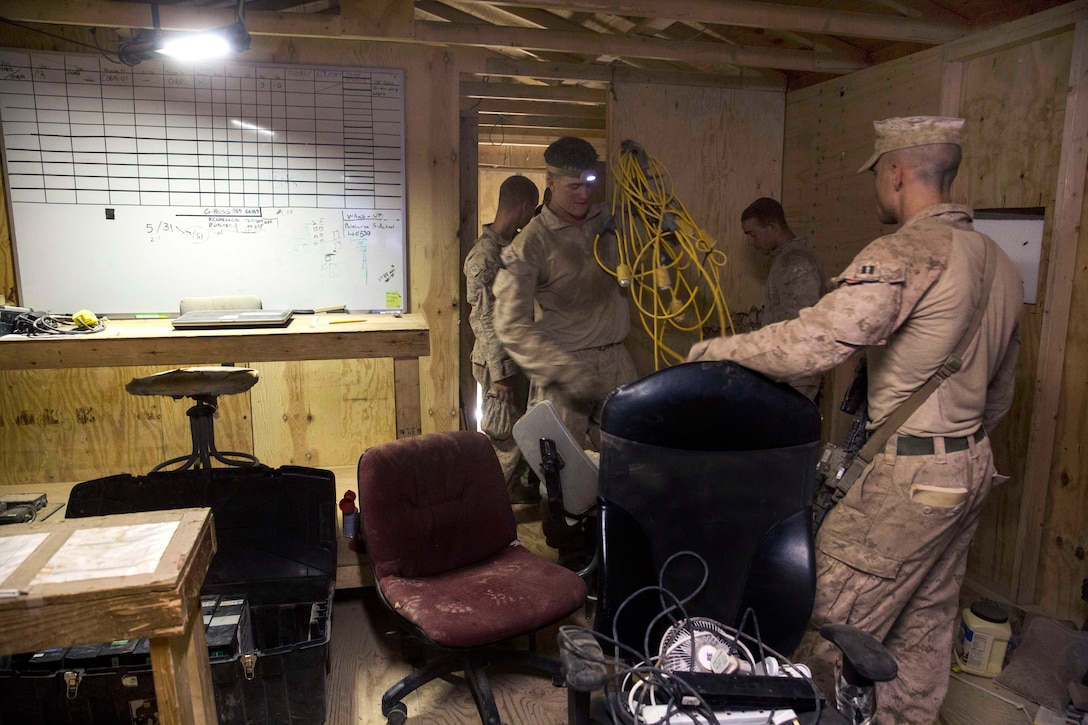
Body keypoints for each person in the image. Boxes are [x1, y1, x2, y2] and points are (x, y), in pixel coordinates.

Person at [687, 117, 1022, 724]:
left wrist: (717, 351)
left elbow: (818, 340)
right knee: (923, 628)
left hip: (908, 477)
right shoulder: (999, 263)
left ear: (896, 173)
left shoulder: (907, 252)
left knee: (825, 620)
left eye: (876, 175)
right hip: (970, 465)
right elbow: (1000, 390)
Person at [493, 136, 637, 565]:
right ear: (550, 182)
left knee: (630, 459)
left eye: (589, 184)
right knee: (560, 471)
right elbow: (510, 324)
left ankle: (618, 554)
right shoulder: (532, 244)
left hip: (616, 362)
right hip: (565, 366)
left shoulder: (608, 223)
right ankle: (572, 563)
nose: (583, 194)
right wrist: (560, 370)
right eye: (573, 186)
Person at [464, 174, 540, 504]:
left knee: (522, 431)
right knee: (504, 440)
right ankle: (484, 508)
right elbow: (486, 322)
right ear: (523, 207)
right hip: (501, 366)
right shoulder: (484, 257)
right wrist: (501, 373)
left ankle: (514, 494)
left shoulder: (511, 248)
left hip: (519, 360)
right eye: (532, 210)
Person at [740, 197, 826, 399]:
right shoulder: (784, 260)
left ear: (772, 227)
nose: (751, 242)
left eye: (752, 234)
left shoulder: (796, 264)